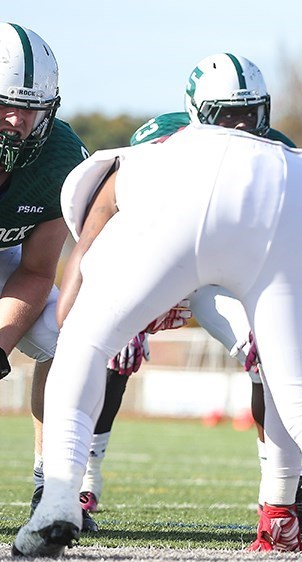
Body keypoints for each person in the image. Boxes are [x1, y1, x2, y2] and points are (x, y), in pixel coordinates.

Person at [13, 125, 302, 562]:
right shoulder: (264, 152)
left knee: (81, 344)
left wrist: (122, 320)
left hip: (189, 210)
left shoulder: (124, 167)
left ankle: (58, 501)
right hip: (301, 191)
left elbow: (72, 302)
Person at [128, 53, 302, 534]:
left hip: (225, 281)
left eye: (250, 113)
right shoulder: (159, 144)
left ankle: (277, 504)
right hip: (160, 267)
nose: (241, 126)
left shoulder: (280, 154)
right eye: (227, 116)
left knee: (270, 359)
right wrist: (130, 312)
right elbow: (120, 221)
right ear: (198, 113)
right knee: (110, 351)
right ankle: (75, 489)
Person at [0, 22, 140, 535]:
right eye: (4, 104)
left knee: (66, 342)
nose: (18, 120)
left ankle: (52, 485)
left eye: (30, 107)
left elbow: (37, 270)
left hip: (8, 258)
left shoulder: (60, 156)